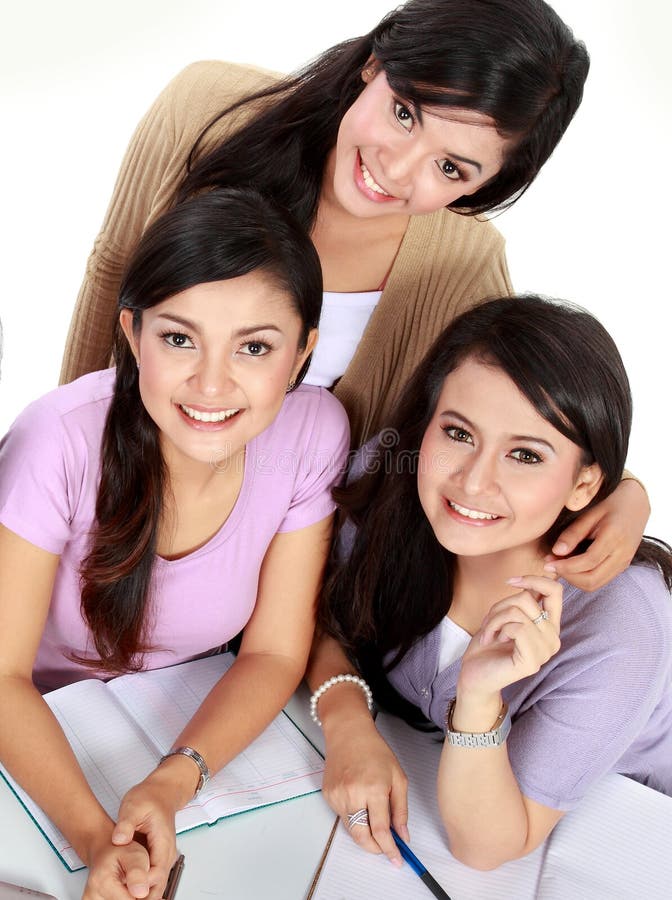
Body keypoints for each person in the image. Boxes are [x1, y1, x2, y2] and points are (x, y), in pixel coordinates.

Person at [58, 0, 649, 593]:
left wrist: (628, 491)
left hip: (288, 592)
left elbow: (522, 410)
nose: (396, 168)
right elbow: (112, 284)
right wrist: (65, 481)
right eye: (404, 113)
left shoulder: (460, 262)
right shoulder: (203, 109)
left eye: (450, 168)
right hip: (113, 529)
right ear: (374, 63)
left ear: (486, 185)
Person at [0, 188, 350, 899]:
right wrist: (99, 836)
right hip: (29, 735)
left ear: (303, 349)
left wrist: (172, 777)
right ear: (133, 334)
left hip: (161, 720)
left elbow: (276, 651)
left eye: (254, 347)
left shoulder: (314, 433)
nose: (213, 383)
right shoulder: (58, 439)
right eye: (179, 338)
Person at [312, 295, 672, 871]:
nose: (474, 482)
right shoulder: (387, 486)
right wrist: (348, 722)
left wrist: (478, 698)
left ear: (584, 485)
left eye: (525, 455)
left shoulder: (620, 627)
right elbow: (321, 616)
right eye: (457, 433)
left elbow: (486, 847)